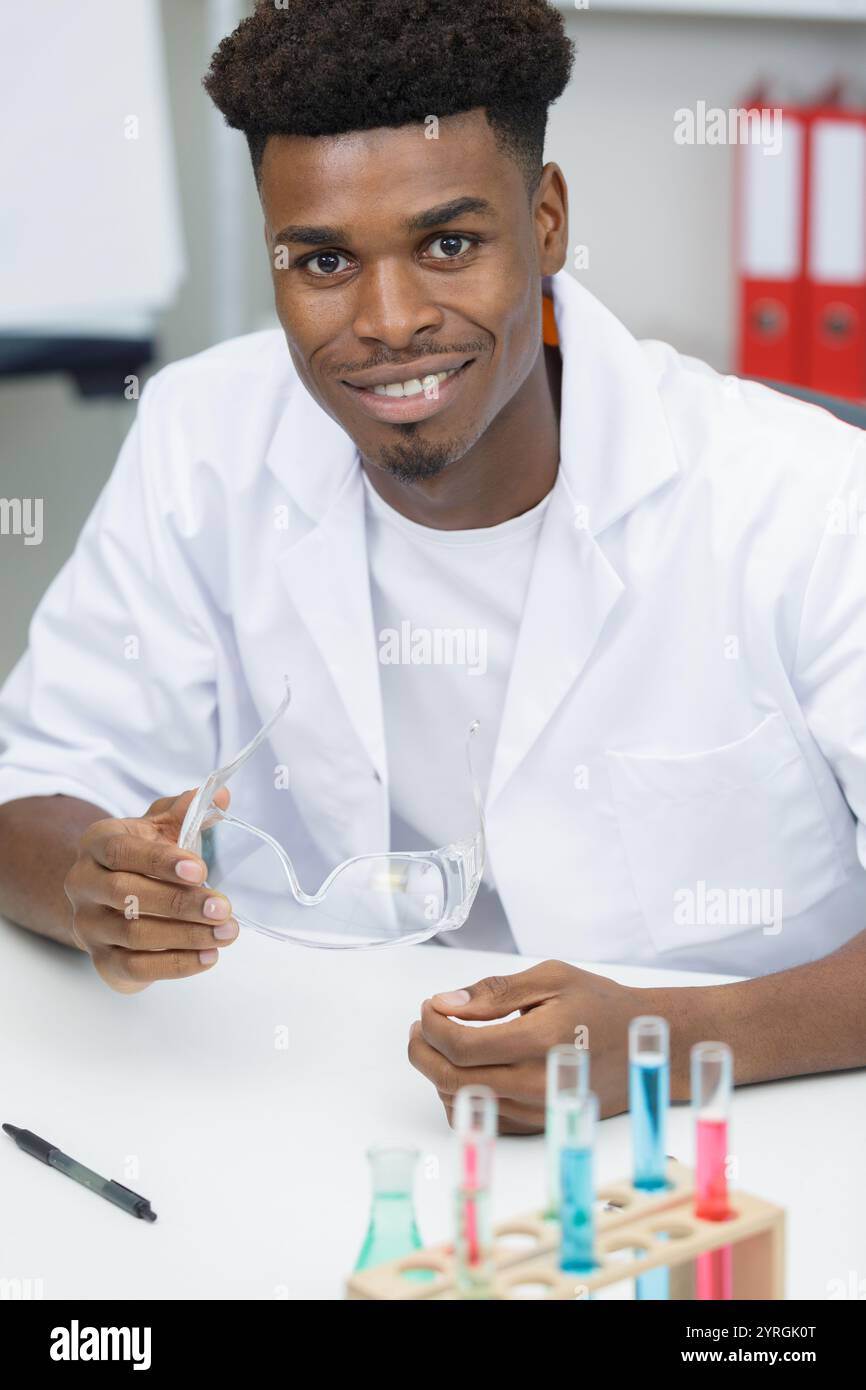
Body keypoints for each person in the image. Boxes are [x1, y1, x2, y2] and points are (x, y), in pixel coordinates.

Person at [0, 0, 864, 1131]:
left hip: (741, 1147)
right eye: (321, 261)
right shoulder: (200, 435)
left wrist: (671, 1040)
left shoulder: (803, 499)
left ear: (546, 222)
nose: (388, 321)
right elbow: (31, 785)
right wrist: (95, 884)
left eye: (448, 244)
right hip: (311, 1116)